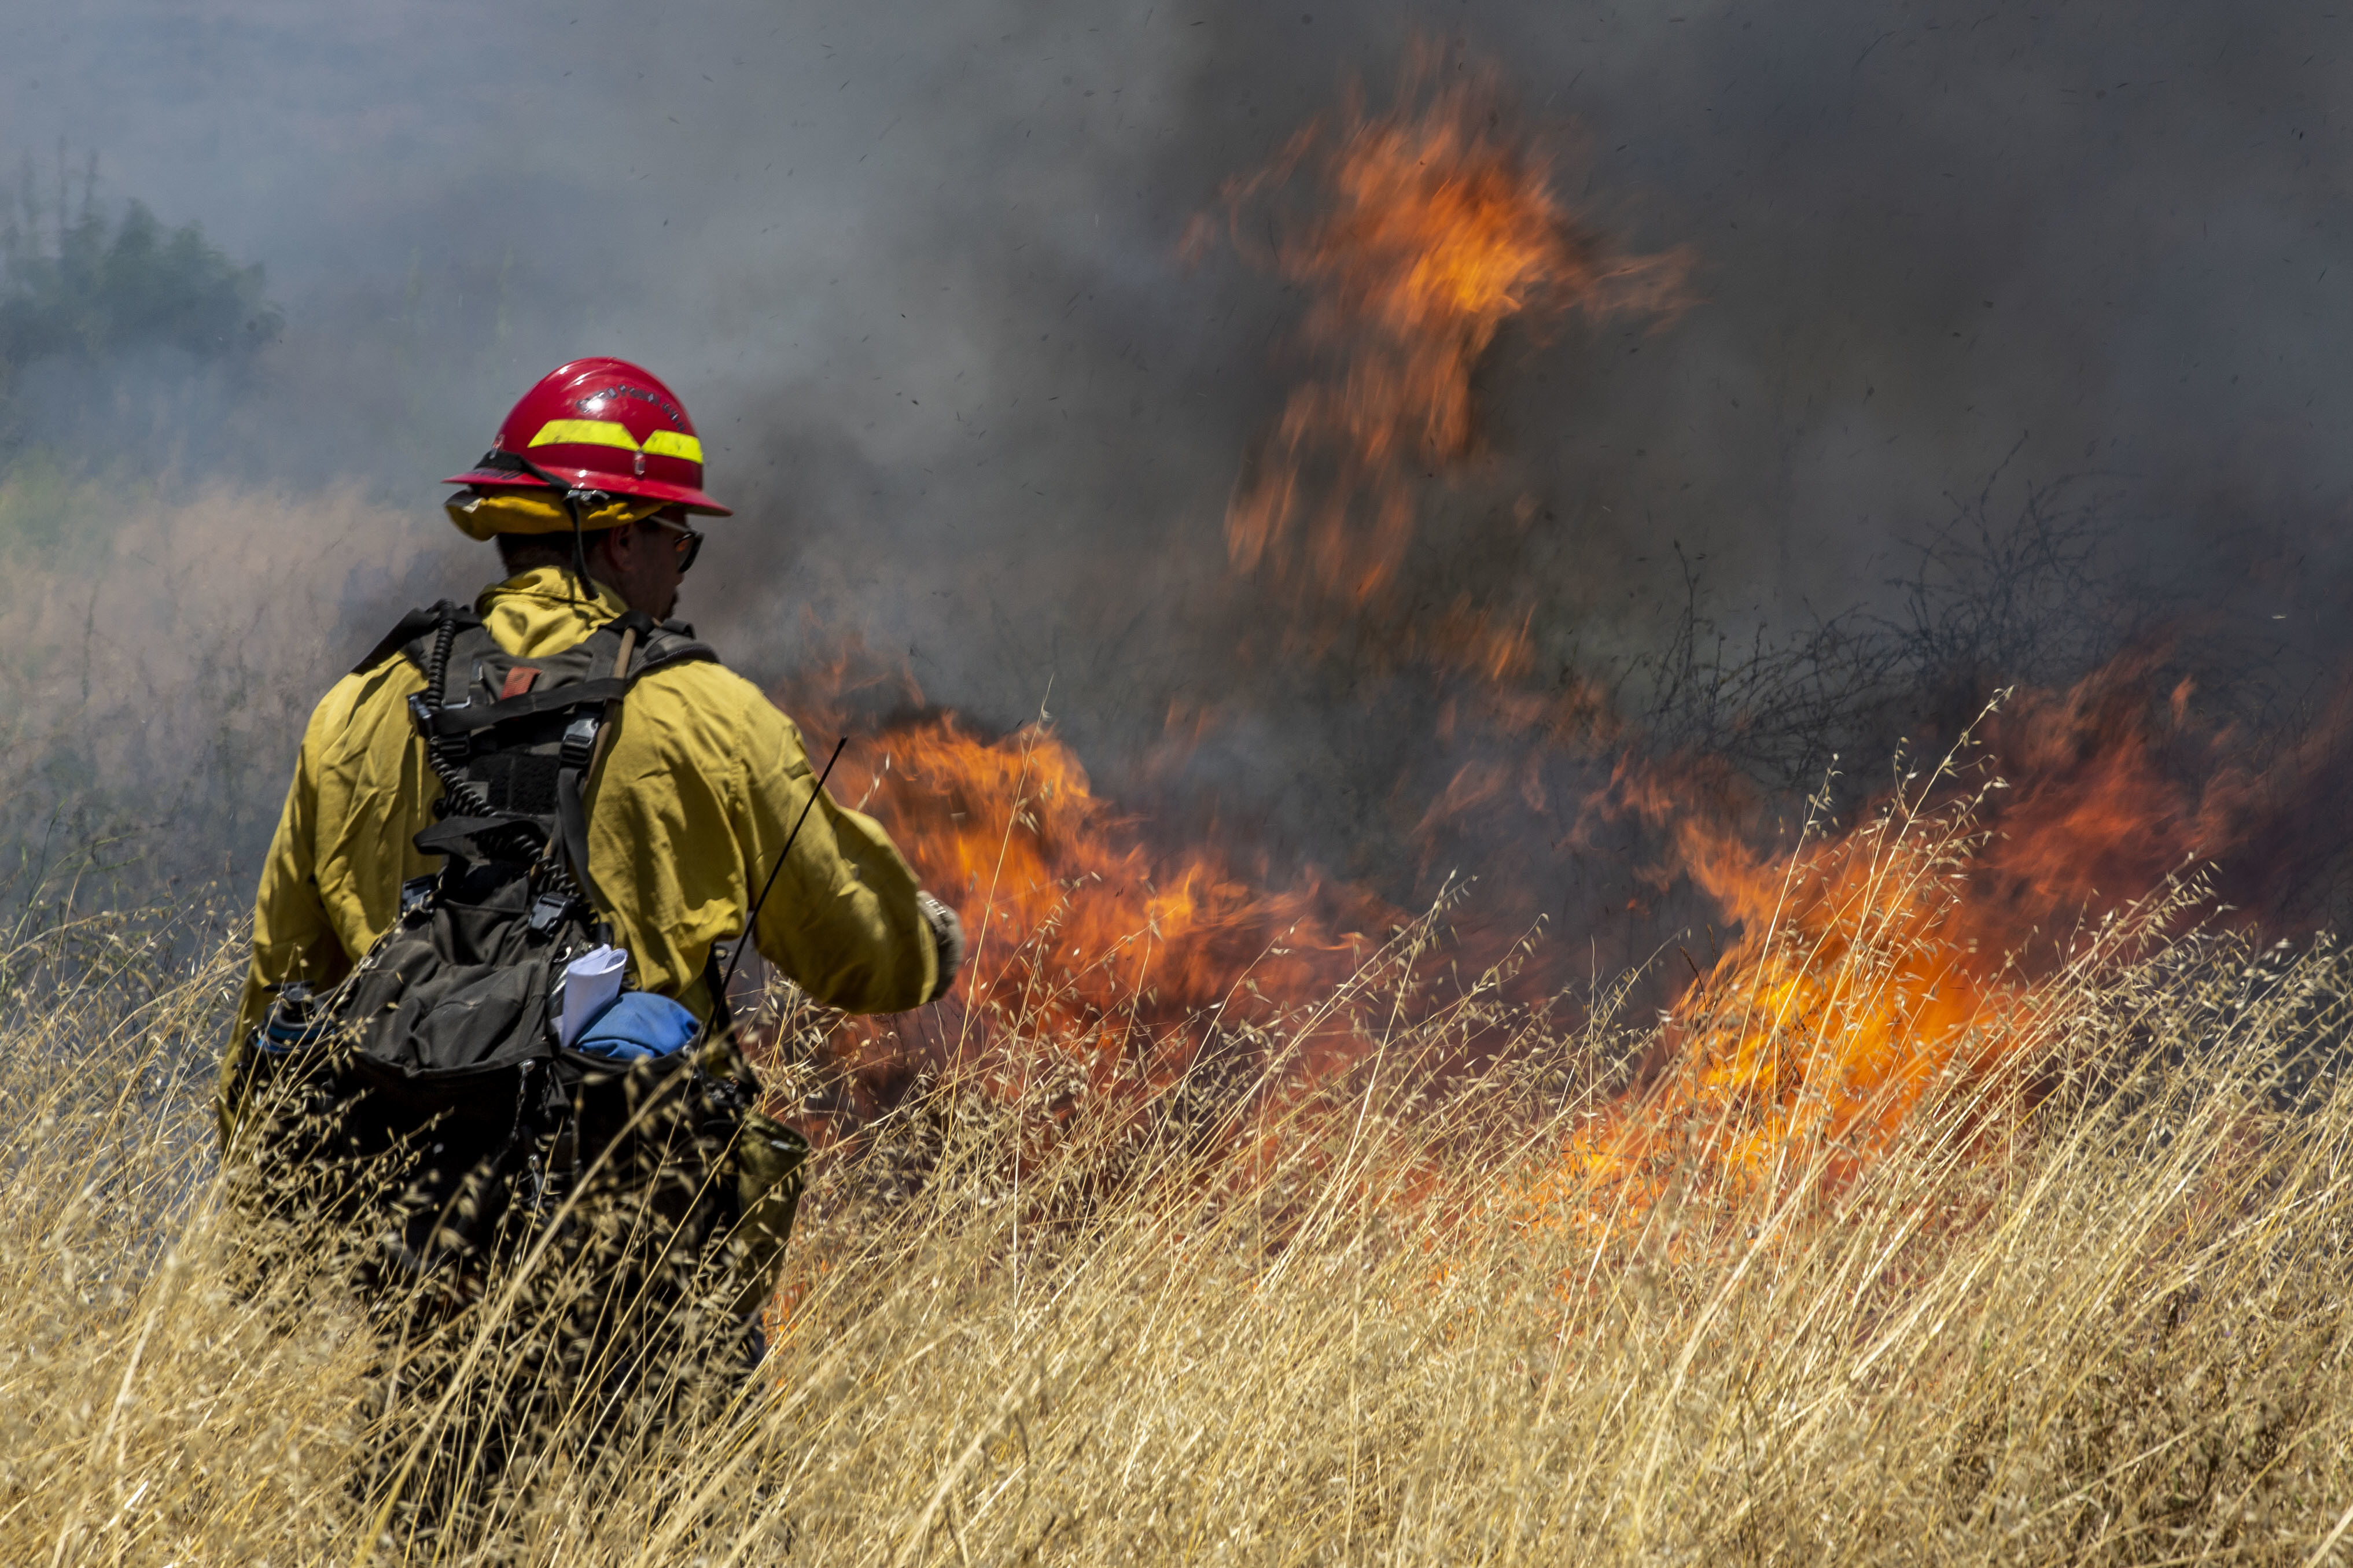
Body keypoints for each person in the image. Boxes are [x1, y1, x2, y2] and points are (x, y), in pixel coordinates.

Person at [221, 356, 962, 1135]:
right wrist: (930, 943)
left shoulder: (356, 709)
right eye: (678, 544)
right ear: (619, 539)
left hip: (382, 1222)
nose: (678, 579)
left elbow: (277, 1003)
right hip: (614, 1221)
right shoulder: (708, 713)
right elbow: (846, 945)